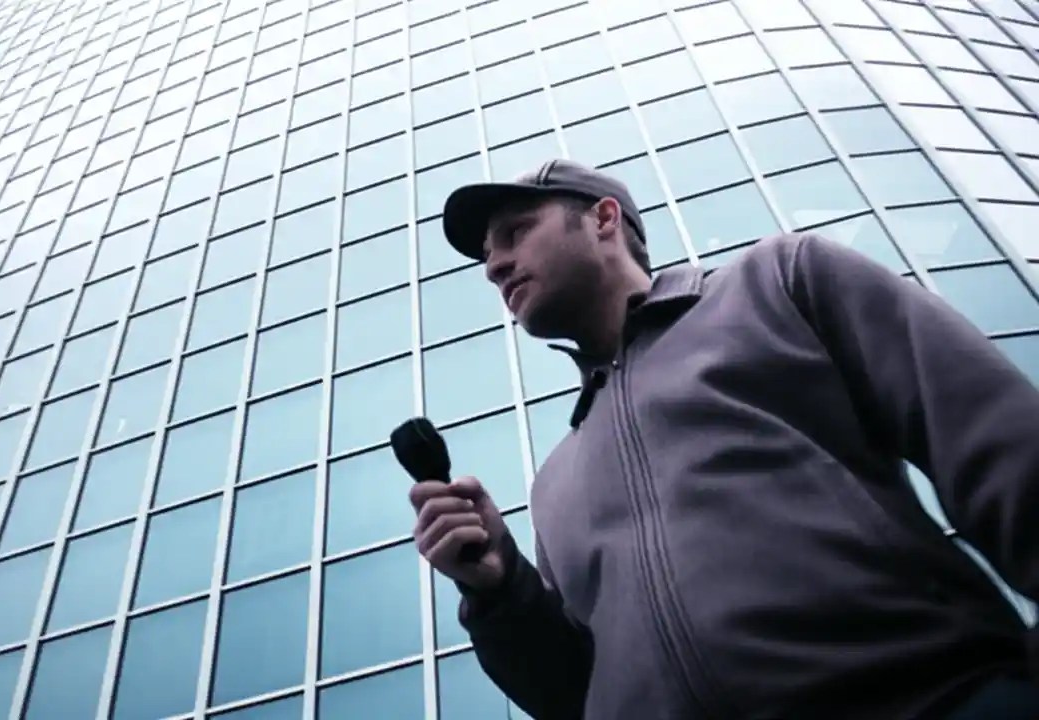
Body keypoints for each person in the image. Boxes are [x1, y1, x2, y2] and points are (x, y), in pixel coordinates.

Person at [408, 158, 1039, 719]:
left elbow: (997, 443)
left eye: (516, 233)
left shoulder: (780, 283)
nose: (494, 266)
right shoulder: (554, 484)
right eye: (488, 255)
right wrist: (500, 590)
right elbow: (573, 695)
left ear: (602, 219)